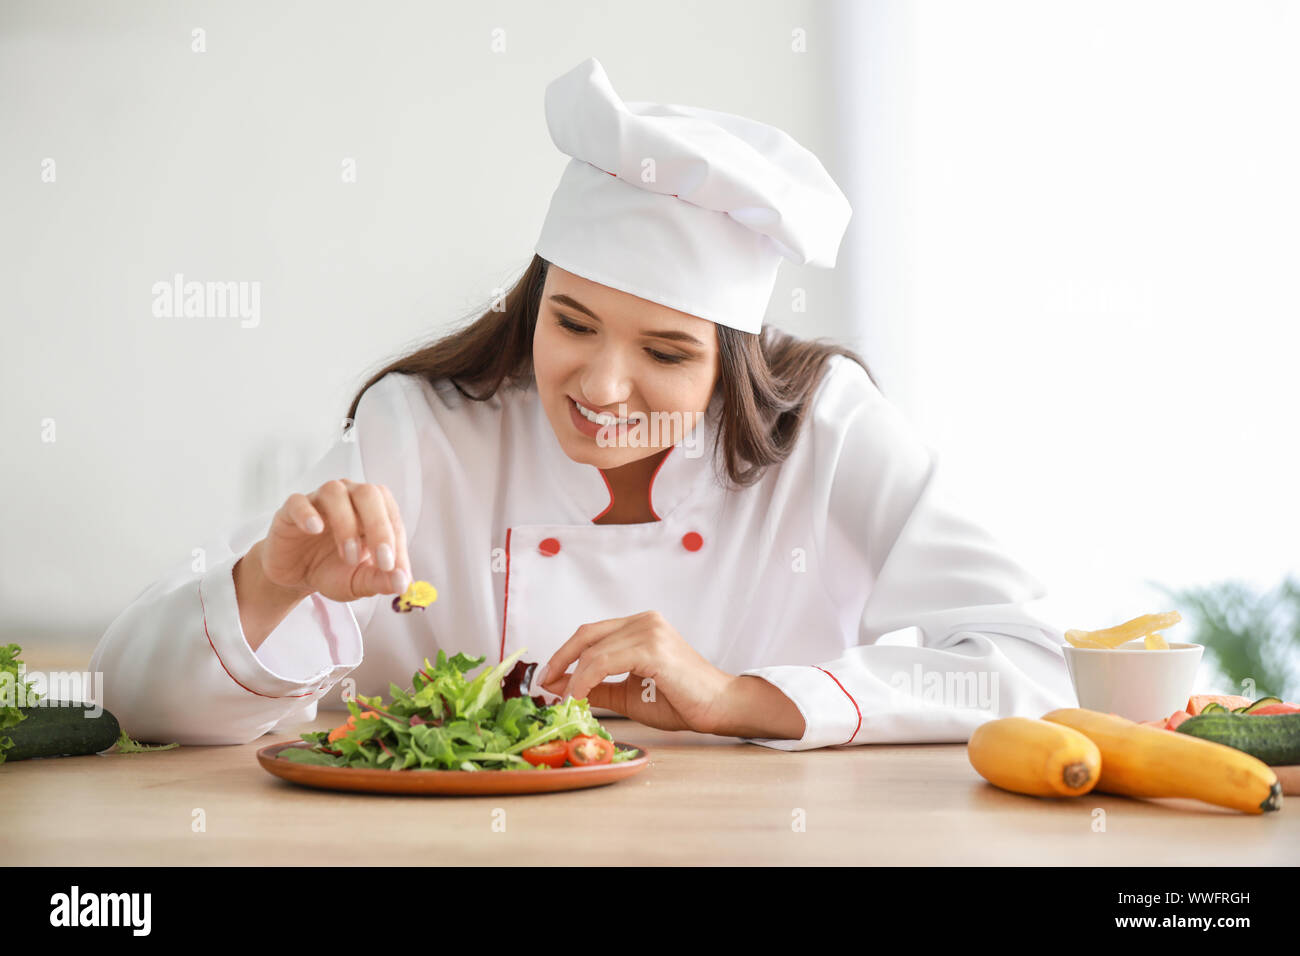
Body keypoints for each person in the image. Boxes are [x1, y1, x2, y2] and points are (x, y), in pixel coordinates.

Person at [90, 57, 1074, 749]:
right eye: (570, 323)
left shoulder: (824, 430)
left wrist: (738, 697)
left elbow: (1032, 664)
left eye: (665, 349)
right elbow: (135, 697)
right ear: (531, 304)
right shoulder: (421, 427)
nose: (600, 388)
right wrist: (273, 580)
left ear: (732, 363)